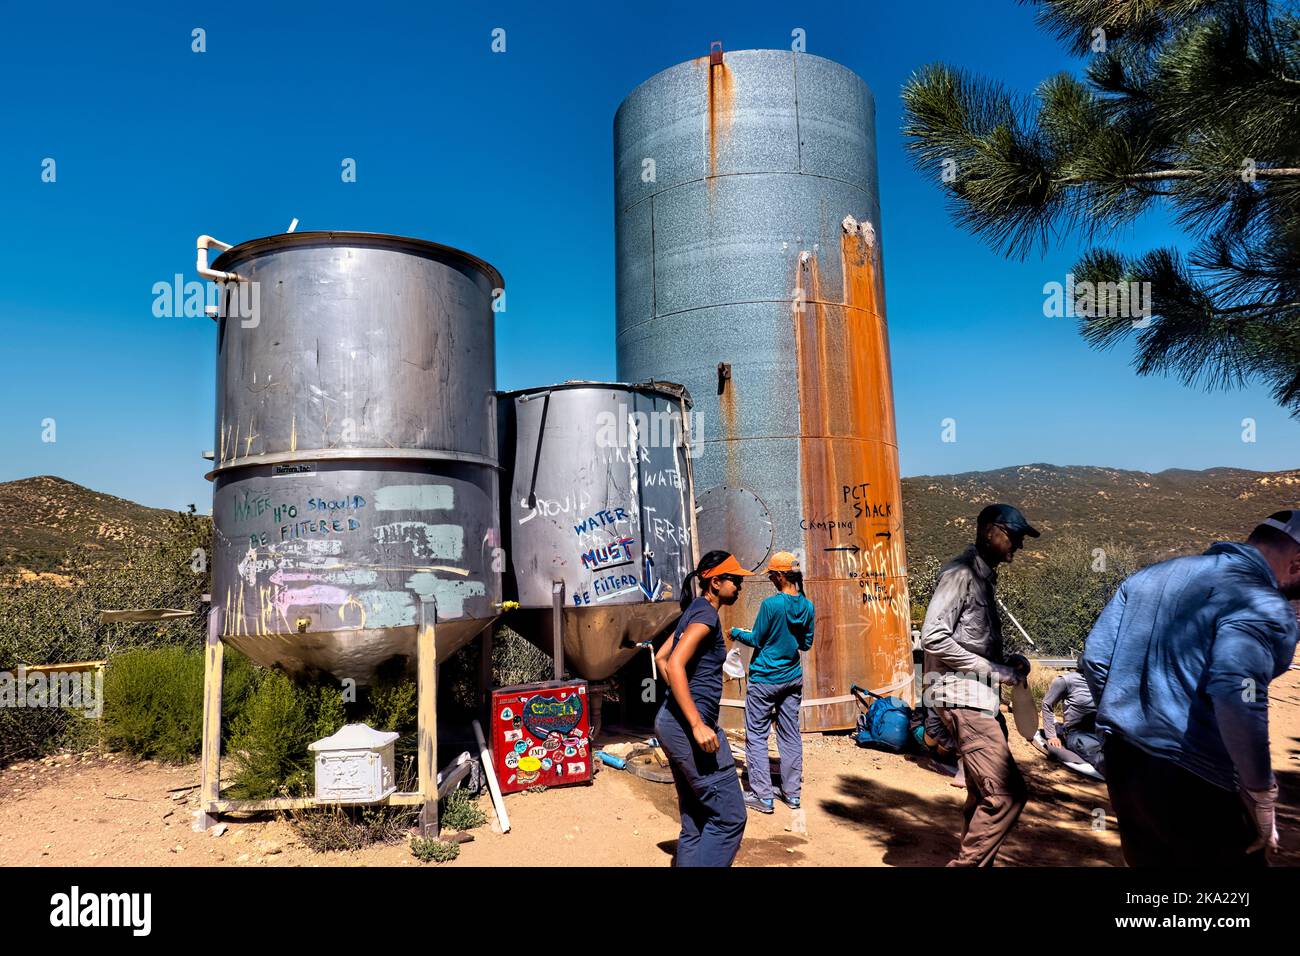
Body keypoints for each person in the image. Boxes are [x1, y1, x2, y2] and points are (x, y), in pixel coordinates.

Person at [1082, 510, 1300, 867]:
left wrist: (1125, 724)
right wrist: (1260, 792)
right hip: (1197, 779)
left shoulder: (1150, 577)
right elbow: (1238, 693)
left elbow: (1095, 660)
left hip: (1126, 765)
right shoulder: (1262, 603)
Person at [921, 503, 1038, 866]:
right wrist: (994, 670)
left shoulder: (984, 579)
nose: (1018, 544)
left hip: (976, 697)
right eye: (1013, 535)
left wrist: (1009, 663)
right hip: (963, 698)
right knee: (1005, 795)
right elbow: (933, 637)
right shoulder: (961, 574)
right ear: (989, 530)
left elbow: (970, 640)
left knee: (980, 795)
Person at [653, 550, 752, 866]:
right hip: (687, 729)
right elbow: (676, 663)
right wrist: (695, 722)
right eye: (734, 580)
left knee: (696, 814)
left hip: (671, 722)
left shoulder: (695, 610)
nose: (739, 586)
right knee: (729, 817)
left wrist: (685, 708)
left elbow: (661, 658)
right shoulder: (706, 616)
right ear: (715, 581)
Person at [730, 551, 815, 813]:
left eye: (772, 576)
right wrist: (785, 642)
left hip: (765, 678)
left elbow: (755, 639)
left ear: (780, 576)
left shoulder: (771, 605)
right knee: (790, 735)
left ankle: (762, 796)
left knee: (756, 735)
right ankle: (792, 794)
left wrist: (735, 632)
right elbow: (805, 644)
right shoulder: (807, 606)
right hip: (791, 678)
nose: (771, 580)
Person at [1036, 665, 1104, 777]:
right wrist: (1051, 735)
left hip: (1100, 731)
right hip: (1077, 733)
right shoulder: (1067, 681)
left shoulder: (1103, 683)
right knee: (1101, 757)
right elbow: (1047, 704)